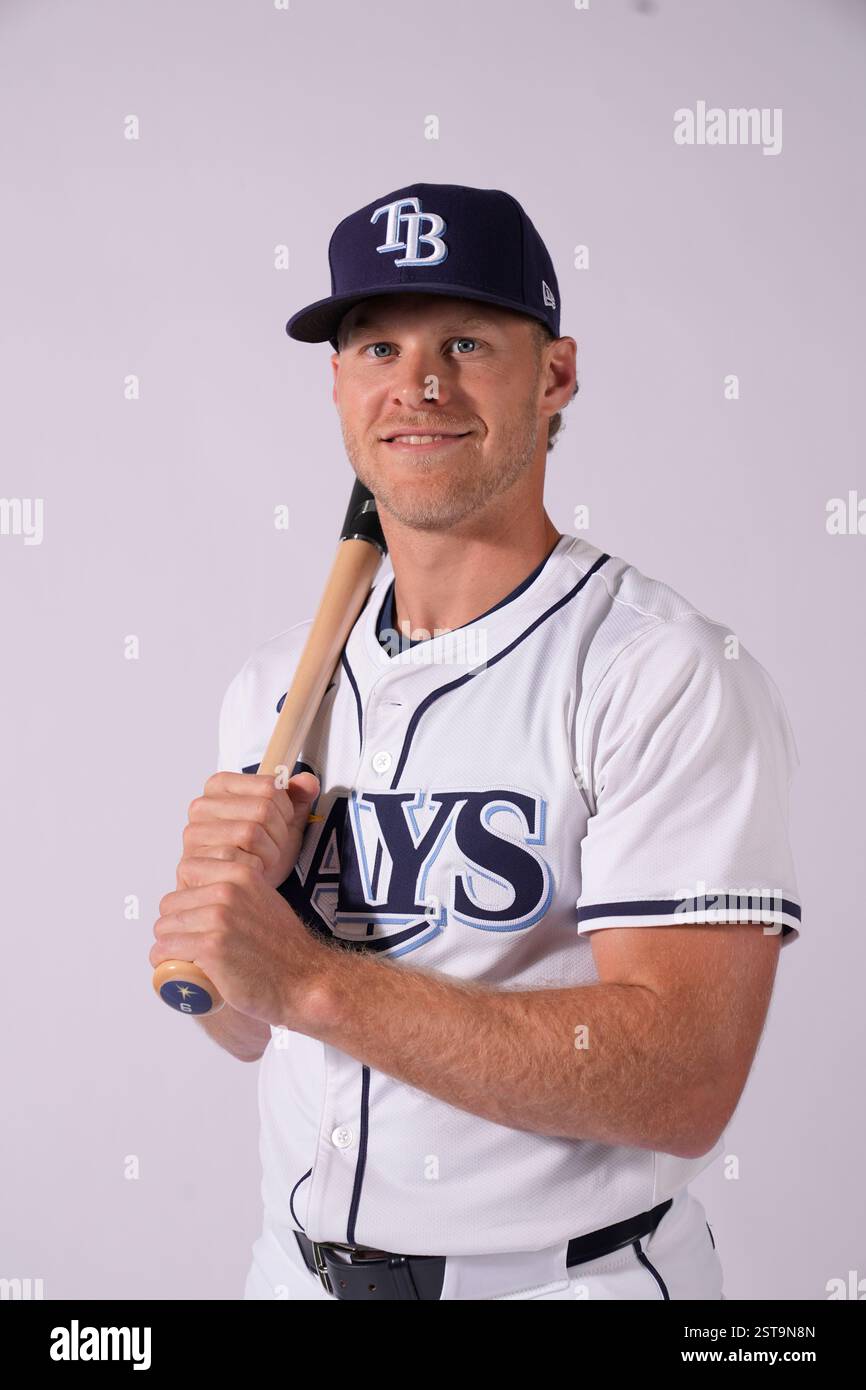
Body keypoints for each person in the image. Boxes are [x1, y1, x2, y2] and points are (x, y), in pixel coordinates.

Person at [150, 183, 802, 1301]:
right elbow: (241, 1025)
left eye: (464, 343)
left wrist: (310, 980)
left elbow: (682, 1082)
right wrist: (231, 919)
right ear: (340, 385)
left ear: (554, 376)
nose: (419, 385)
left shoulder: (658, 672)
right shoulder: (273, 686)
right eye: (379, 347)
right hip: (291, 1274)